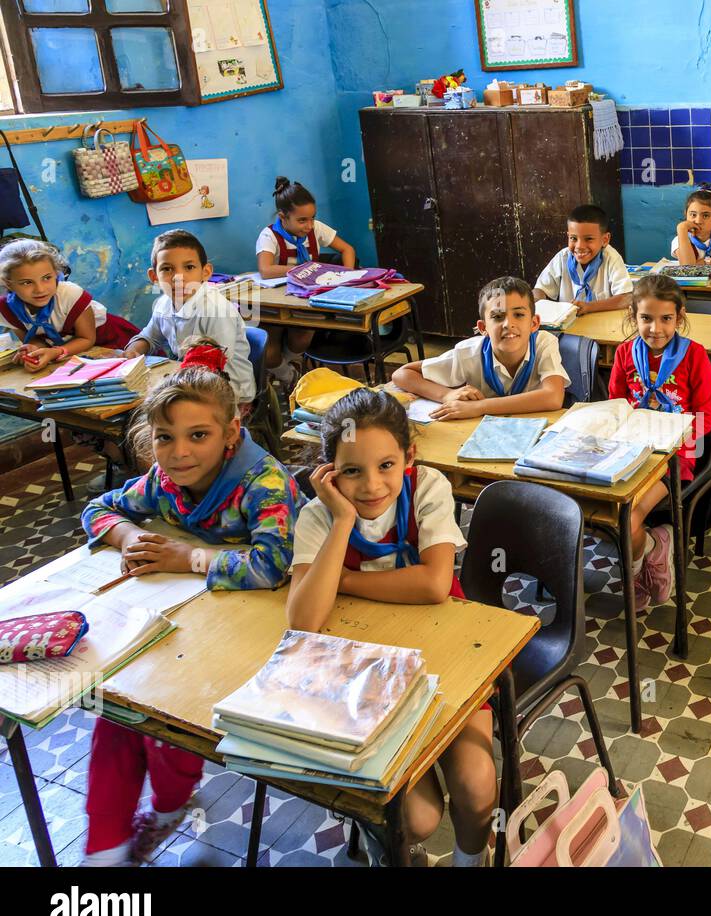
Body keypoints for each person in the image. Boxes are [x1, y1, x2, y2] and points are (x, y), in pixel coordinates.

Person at [80, 342, 302, 865]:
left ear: (230, 433)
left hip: (261, 638)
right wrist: (127, 537)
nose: (179, 452)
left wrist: (189, 557)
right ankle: (105, 844)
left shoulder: (264, 483)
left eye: (198, 435)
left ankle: (170, 804)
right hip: (184, 623)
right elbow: (99, 508)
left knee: (159, 711)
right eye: (165, 438)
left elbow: (274, 566)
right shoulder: (162, 481)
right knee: (115, 708)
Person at [287, 389, 494, 867]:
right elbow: (303, 620)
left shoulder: (428, 487)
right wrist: (341, 521)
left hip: (447, 654)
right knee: (416, 817)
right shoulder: (320, 516)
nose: (371, 485)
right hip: (365, 673)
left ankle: (471, 860)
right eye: (352, 471)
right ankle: (399, 852)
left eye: (386, 465)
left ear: (409, 457)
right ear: (328, 472)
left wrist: (343, 580)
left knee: (476, 779)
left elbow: (435, 584)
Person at [608, 276, 711, 609]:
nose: (656, 328)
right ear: (633, 316)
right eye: (646, 318)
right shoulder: (625, 353)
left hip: (675, 457)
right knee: (608, 511)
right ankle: (654, 549)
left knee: (627, 516)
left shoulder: (694, 356)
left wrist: (671, 444)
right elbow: (617, 405)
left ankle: (643, 566)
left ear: (679, 317)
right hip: (631, 452)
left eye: (665, 319)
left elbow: (705, 419)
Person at [392, 276, 567, 420]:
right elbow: (401, 374)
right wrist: (445, 395)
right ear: (483, 328)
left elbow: (553, 397)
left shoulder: (544, 343)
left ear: (534, 323)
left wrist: (479, 407)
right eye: (498, 317)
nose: (508, 324)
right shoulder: (468, 353)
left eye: (519, 315)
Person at [123, 230, 256, 409]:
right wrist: (133, 351)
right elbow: (150, 336)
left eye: (189, 267)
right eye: (167, 269)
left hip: (229, 394)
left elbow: (212, 365)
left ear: (205, 272)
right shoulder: (163, 304)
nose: (179, 278)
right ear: (154, 277)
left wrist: (168, 383)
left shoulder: (215, 311)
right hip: (190, 380)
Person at [255, 177, 357, 386]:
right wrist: (303, 269)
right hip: (274, 304)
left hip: (306, 301)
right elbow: (265, 270)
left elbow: (347, 249)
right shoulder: (269, 235)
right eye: (302, 220)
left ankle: (291, 373)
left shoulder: (316, 229)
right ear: (283, 217)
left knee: (301, 338)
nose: (309, 225)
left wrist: (346, 277)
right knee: (270, 351)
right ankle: (290, 376)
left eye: (312, 218)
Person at [0, 239, 135, 368]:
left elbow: (87, 339)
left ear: (56, 274)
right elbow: (34, 339)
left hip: (110, 341)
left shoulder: (69, 294)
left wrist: (56, 352)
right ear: (8, 284)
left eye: (47, 278)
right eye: (27, 282)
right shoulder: (6, 310)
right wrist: (33, 350)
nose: (40, 289)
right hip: (69, 355)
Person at [533, 204, 633, 316]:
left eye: (589, 239)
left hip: (603, 326)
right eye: (573, 238)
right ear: (568, 236)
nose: (579, 246)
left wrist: (589, 307)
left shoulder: (611, 258)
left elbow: (626, 298)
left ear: (605, 239)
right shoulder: (562, 257)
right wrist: (535, 301)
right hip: (569, 326)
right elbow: (540, 290)